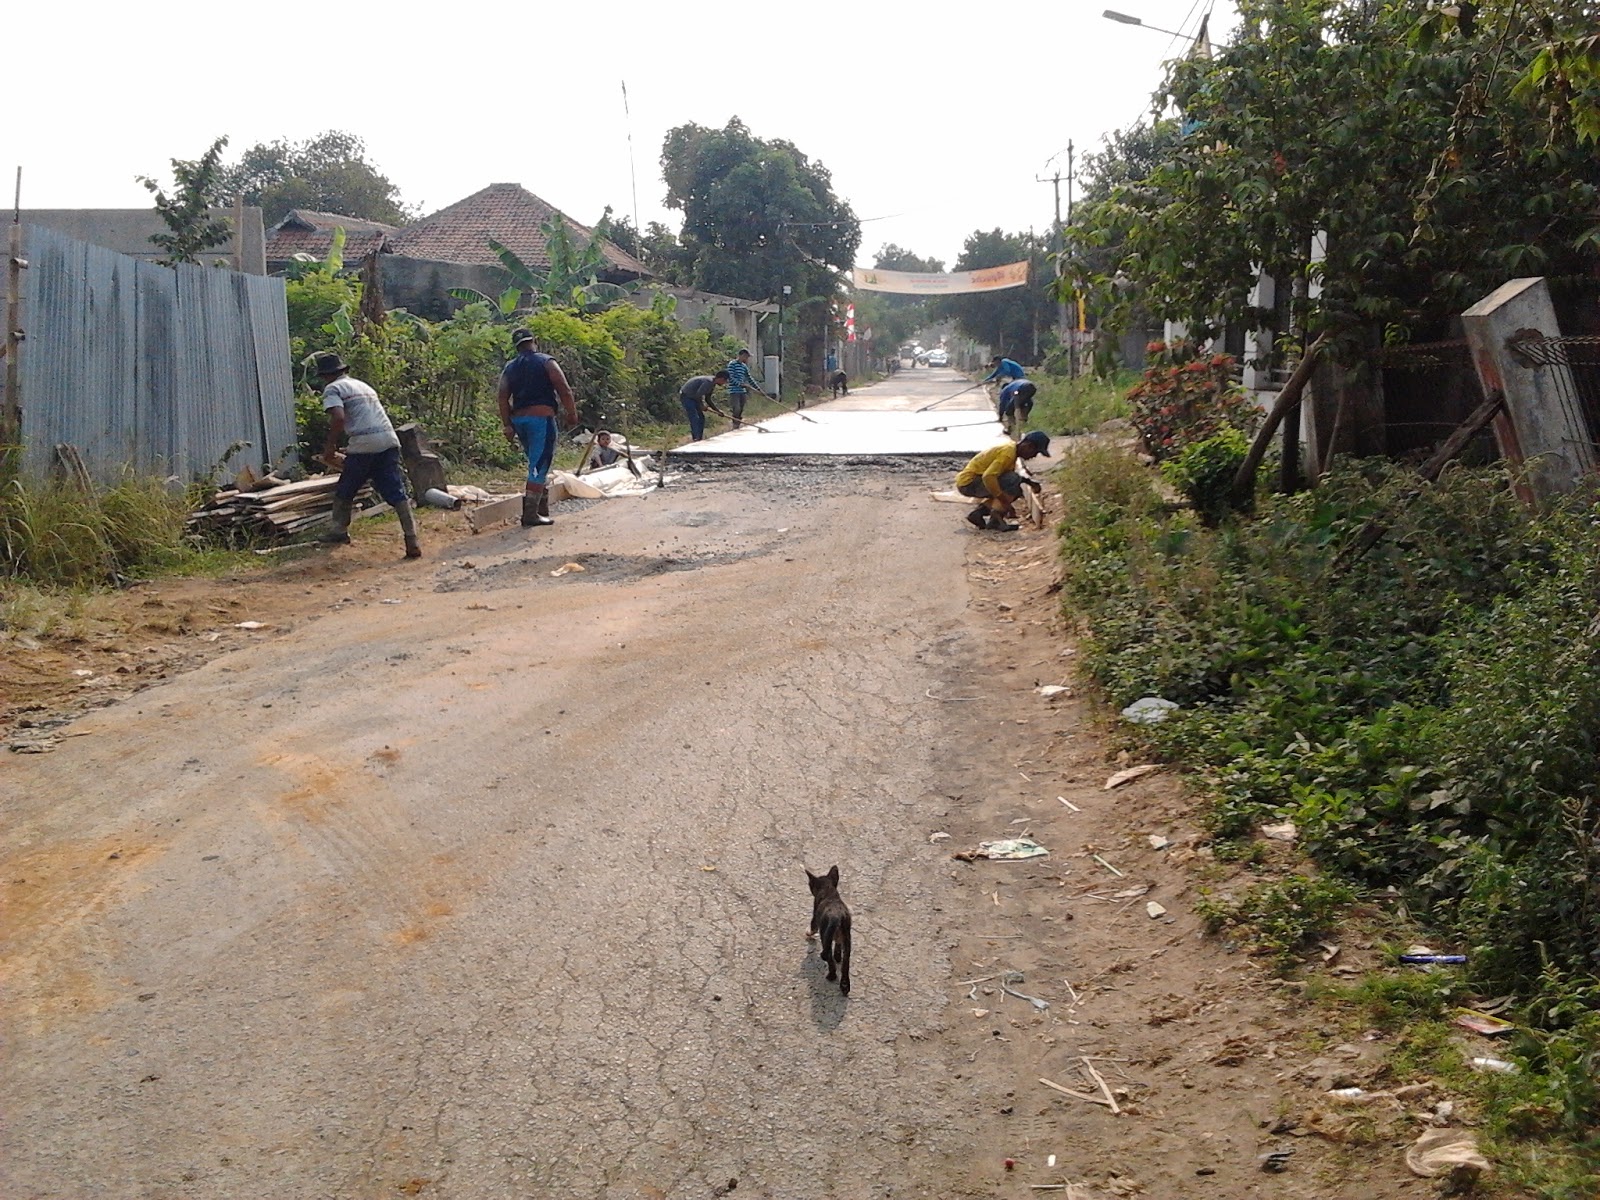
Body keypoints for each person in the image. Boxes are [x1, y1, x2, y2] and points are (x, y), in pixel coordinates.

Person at [314, 352, 422, 559]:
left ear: (325, 375)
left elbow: (338, 418)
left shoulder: (333, 389)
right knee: (396, 491)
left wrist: (330, 447)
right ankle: (412, 539)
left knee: (346, 488)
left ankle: (338, 530)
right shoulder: (363, 386)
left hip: (364, 443)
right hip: (388, 439)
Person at [498, 328, 579, 528]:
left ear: (516, 346)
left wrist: (507, 424)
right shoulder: (546, 362)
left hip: (520, 421)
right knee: (539, 465)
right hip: (541, 419)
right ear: (534, 341)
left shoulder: (509, 367)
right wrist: (571, 413)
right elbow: (564, 388)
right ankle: (530, 514)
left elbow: (502, 396)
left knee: (536, 462)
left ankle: (542, 509)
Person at [954, 430, 1051, 532]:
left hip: (972, 481)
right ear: (1028, 446)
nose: (1034, 456)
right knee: (1013, 480)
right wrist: (1005, 503)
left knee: (1015, 488)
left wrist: (1029, 482)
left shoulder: (1011, 451)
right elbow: (988, 477)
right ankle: (996, 520)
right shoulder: (1008, 454)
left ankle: (979, 514)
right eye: (1035, 452)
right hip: (969, 482)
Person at [679, 370, 729, 441]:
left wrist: (717, 411)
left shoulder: (712, 384)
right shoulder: (708, 382)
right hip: (687, 397)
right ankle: (696, 438)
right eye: (724, 381)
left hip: (694, 398)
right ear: (721, 379)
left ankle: (699, 437)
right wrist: (701, 405)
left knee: (701, 417)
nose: (724, 383)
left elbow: (708, 399)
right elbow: (698, 395)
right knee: (695, 417)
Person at [724, 349, 768, 427]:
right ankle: (735, 424)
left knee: (741, 408)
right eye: (746, 357)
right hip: (734, 391)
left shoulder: (744, 366)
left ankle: (738, 423)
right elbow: (730, 377)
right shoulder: (732, 364)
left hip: (742, 391)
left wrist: (759, 389)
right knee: (736, 408)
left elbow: (749, 378)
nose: (747, 359)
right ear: (742, 355)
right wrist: (740, 384)